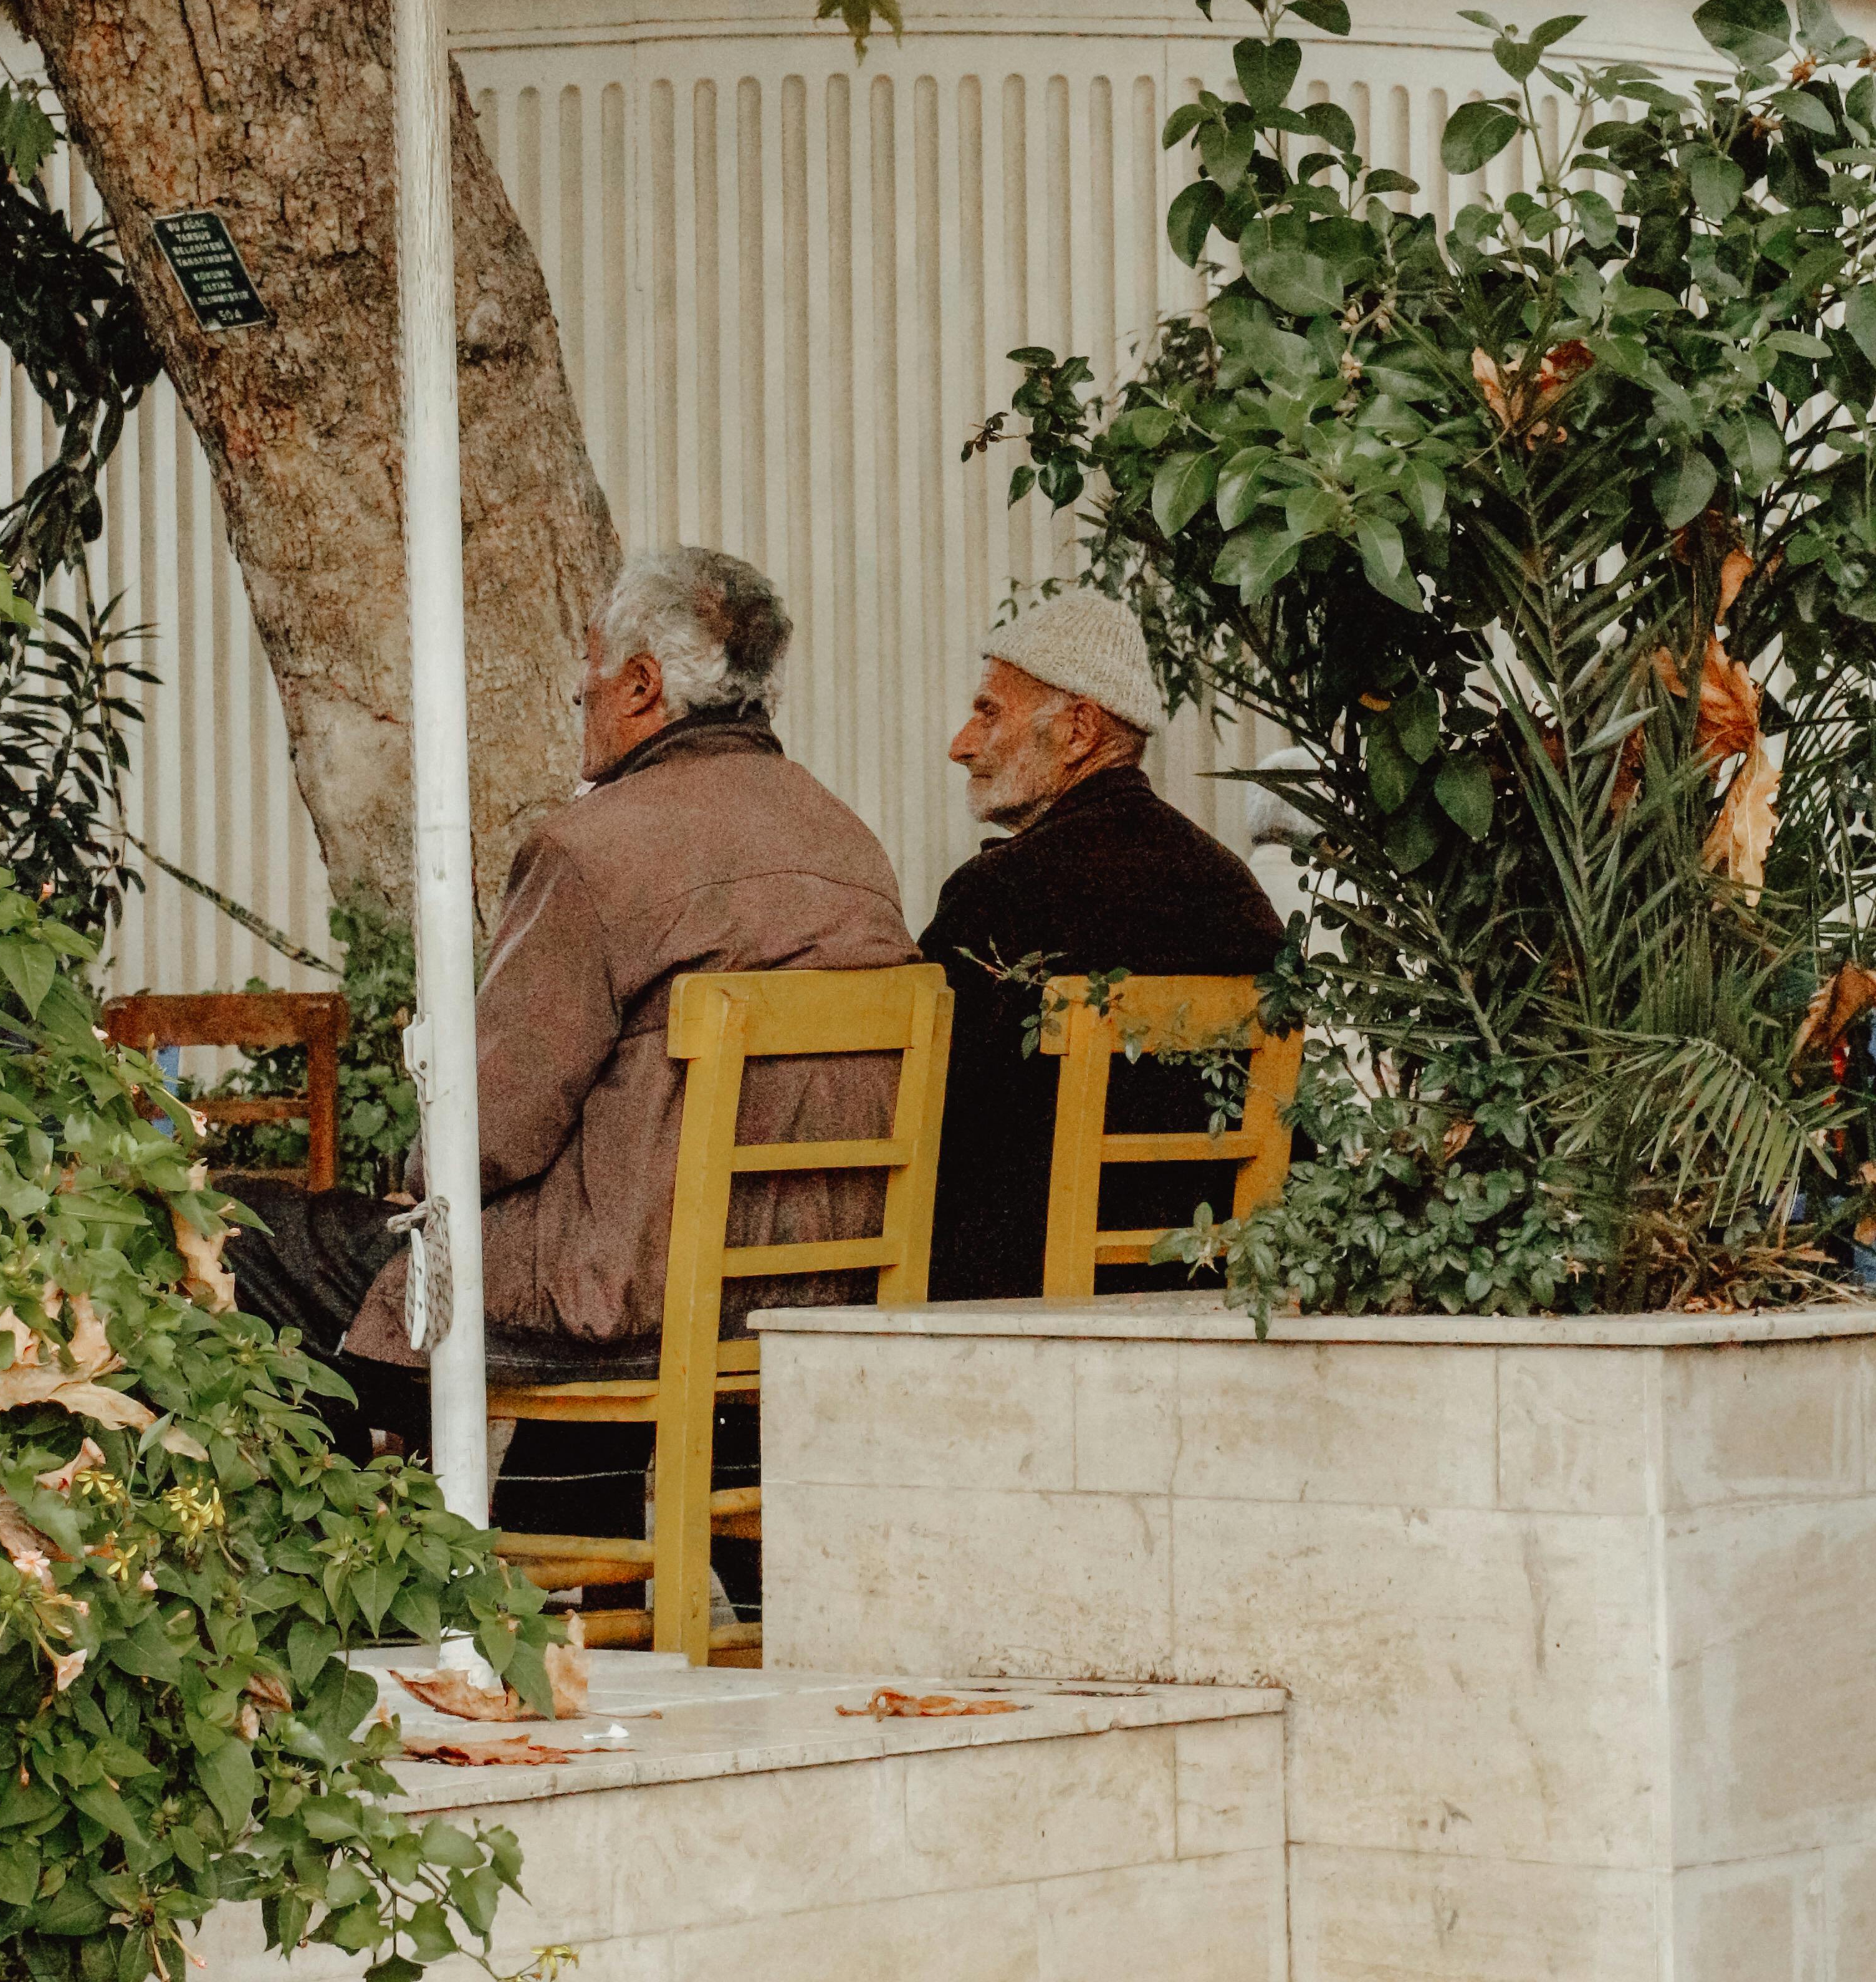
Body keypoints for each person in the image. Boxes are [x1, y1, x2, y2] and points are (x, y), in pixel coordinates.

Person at [224, 547, 912, 1581]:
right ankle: (566, 1588)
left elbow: (485, 1131)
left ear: (642, 685)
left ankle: (338, 1600)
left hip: (629, 1295)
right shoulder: (854, 846)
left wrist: (412, 1175)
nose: (578, 703)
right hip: (819, 1285)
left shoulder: (593, 848)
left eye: (586, 679)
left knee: (244, 1237)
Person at [917, 583, 1281, 1301]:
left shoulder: (1001, 895)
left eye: (989, 712)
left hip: (1020, 1296)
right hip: (1212, 1285)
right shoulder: (1233, 891)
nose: (961, 745)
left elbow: (917, 1111)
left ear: (1079, 731)